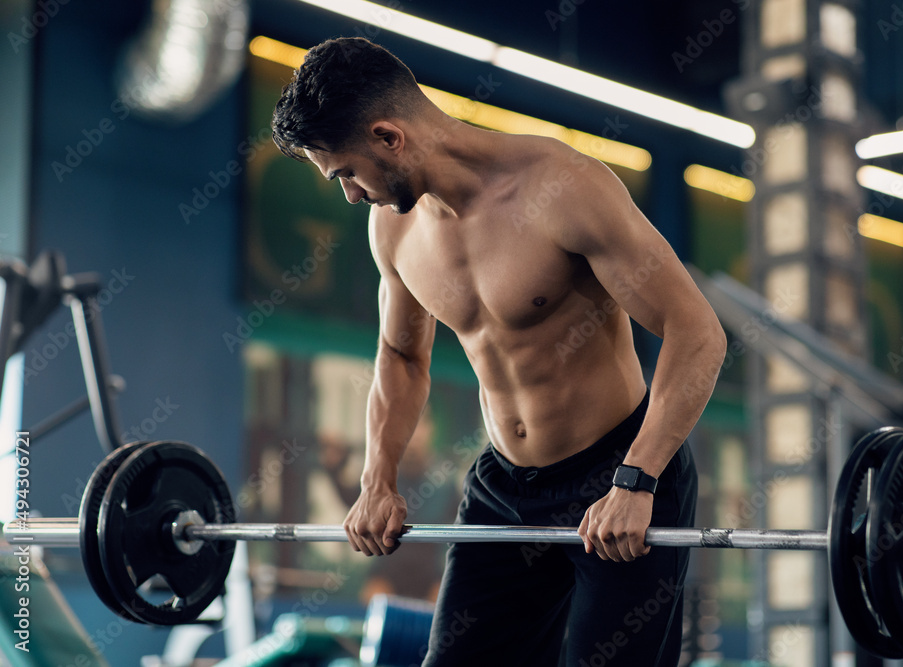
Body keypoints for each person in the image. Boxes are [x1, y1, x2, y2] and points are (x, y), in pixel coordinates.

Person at [272, 36, 727, 667]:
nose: (350, 194)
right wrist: (377, 480)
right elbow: (402, 357)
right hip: (505, 485)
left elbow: (696, 331)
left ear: (388, 136)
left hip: (619, 474)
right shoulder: (393, 226)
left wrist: (638, 476)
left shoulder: (562, 188)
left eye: (346, 172)